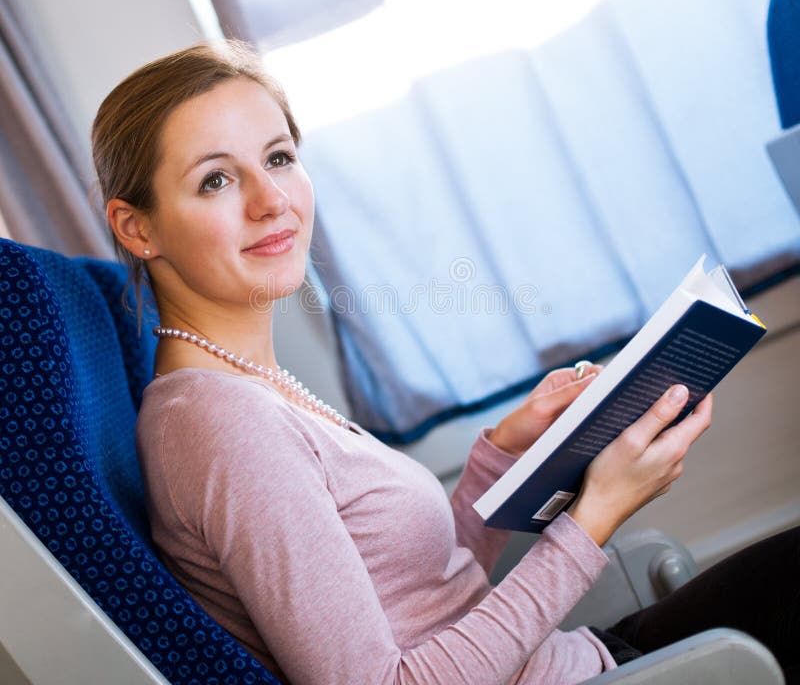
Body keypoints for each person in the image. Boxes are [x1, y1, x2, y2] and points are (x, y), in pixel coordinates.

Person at [93, 40, 797, 685]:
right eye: (216, 180)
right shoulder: (223, 425)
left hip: (588, 660)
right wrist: (594, 517)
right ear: (136, 226)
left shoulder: (248, 386)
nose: (271, 200)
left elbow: (422, 595)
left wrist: (504, 449)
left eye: (278, 158)